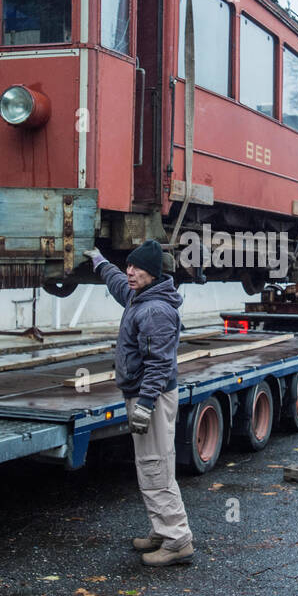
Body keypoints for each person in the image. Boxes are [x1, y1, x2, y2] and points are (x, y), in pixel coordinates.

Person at [84, 240, 194, 566]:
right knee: (154, 463)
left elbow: (159, 364)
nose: (130, 272)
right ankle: (162, 530)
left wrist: (145, 404)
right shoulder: (141, 296)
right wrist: (98, 260)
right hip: (147, 395)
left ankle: (177, 540)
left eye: (137, 268)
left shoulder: (154, 311)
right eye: (129, 265)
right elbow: (118, 283)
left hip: (153, 397)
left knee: (155, 465)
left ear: (153, 273)